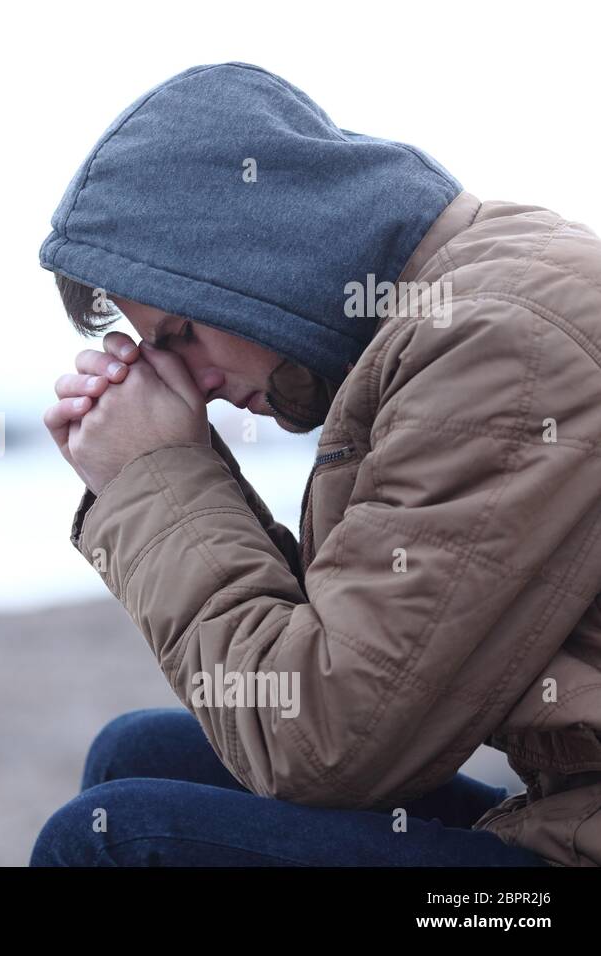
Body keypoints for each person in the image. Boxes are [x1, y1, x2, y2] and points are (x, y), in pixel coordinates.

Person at [31, 62, 601, 866]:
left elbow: (323, 741)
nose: (188, 381)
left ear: (257, 261)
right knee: (139, 755)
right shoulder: (453, 305)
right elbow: (371, 659)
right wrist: (175, 466)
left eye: (181, 334)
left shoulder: (497, 342)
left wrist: (154, 478)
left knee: (113, 842)